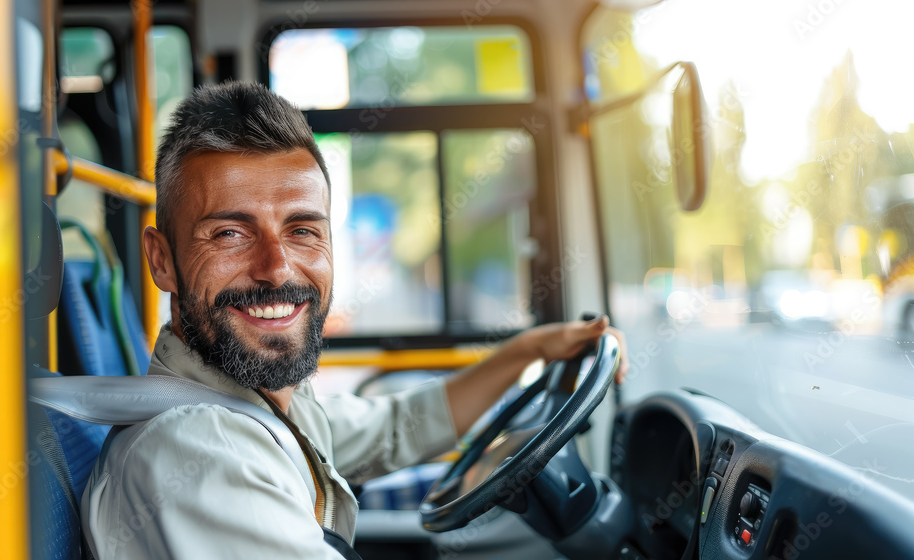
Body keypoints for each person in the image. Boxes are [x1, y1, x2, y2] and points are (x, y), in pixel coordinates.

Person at [81, 81, 629, 559]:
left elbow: (399, 426)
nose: (276, 269)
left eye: (302, 230)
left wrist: (530, 349)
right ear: (161, 260)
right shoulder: (197, 452)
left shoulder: (262, 405)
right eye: (230, 233)